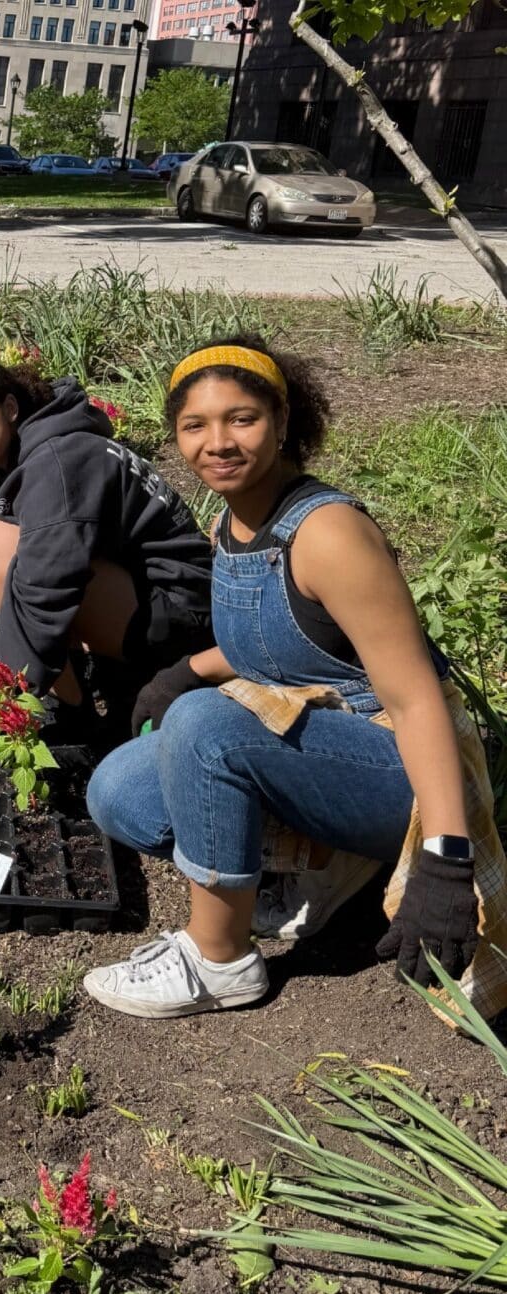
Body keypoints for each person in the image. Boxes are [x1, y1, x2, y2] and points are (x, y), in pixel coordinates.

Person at [83, 337, 500, 1019]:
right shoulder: (232, 522)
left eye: (241, 419)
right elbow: (280, 638)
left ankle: (219, 961)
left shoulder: (328, 534)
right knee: (121, 793)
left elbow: (416, 698)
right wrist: (188, 669)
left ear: (282, 421)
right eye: (195, 425)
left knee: (206, 726)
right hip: (322, 749)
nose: (217, 442)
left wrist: (446, 855)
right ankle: (324, 865)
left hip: (401, 764)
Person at [0, 357, 214, 733]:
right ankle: (81, 681)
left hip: (182, 614)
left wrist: (6, 698)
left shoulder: (59, 460)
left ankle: (73, 720)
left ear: (9, 408)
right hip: (126, 590)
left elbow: (45, 590)